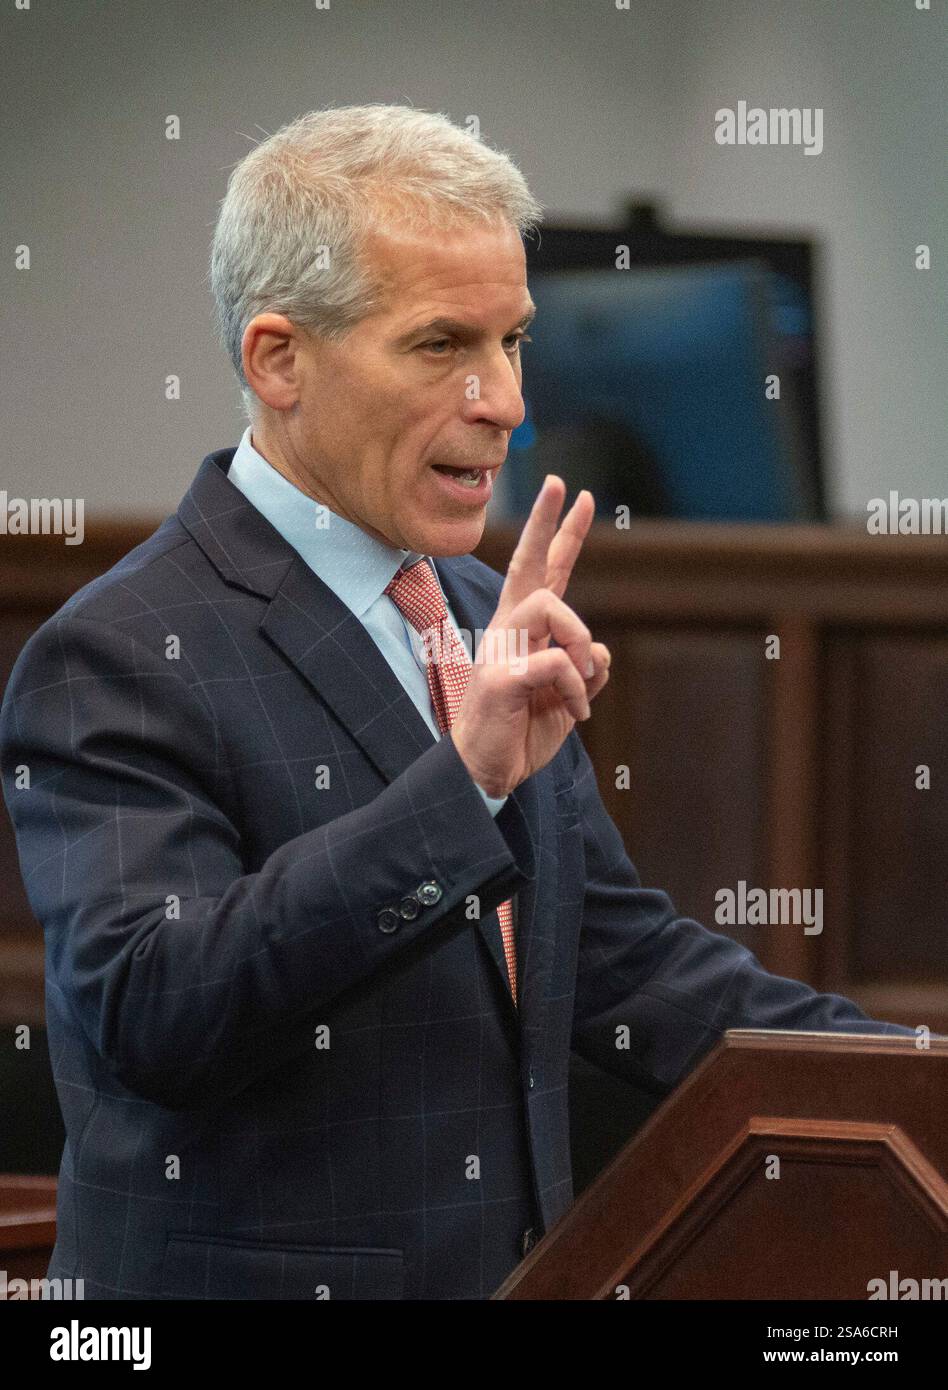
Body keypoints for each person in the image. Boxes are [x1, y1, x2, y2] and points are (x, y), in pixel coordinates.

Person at [0, 105, 913, 1301]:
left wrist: (910, 1075)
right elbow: (162, 1013)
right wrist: (465, 785)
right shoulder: (117, 652)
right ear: (278, 360)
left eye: (515, 342)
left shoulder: (480, 608)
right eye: (442, 347)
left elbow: (617, 968)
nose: (505, 404)